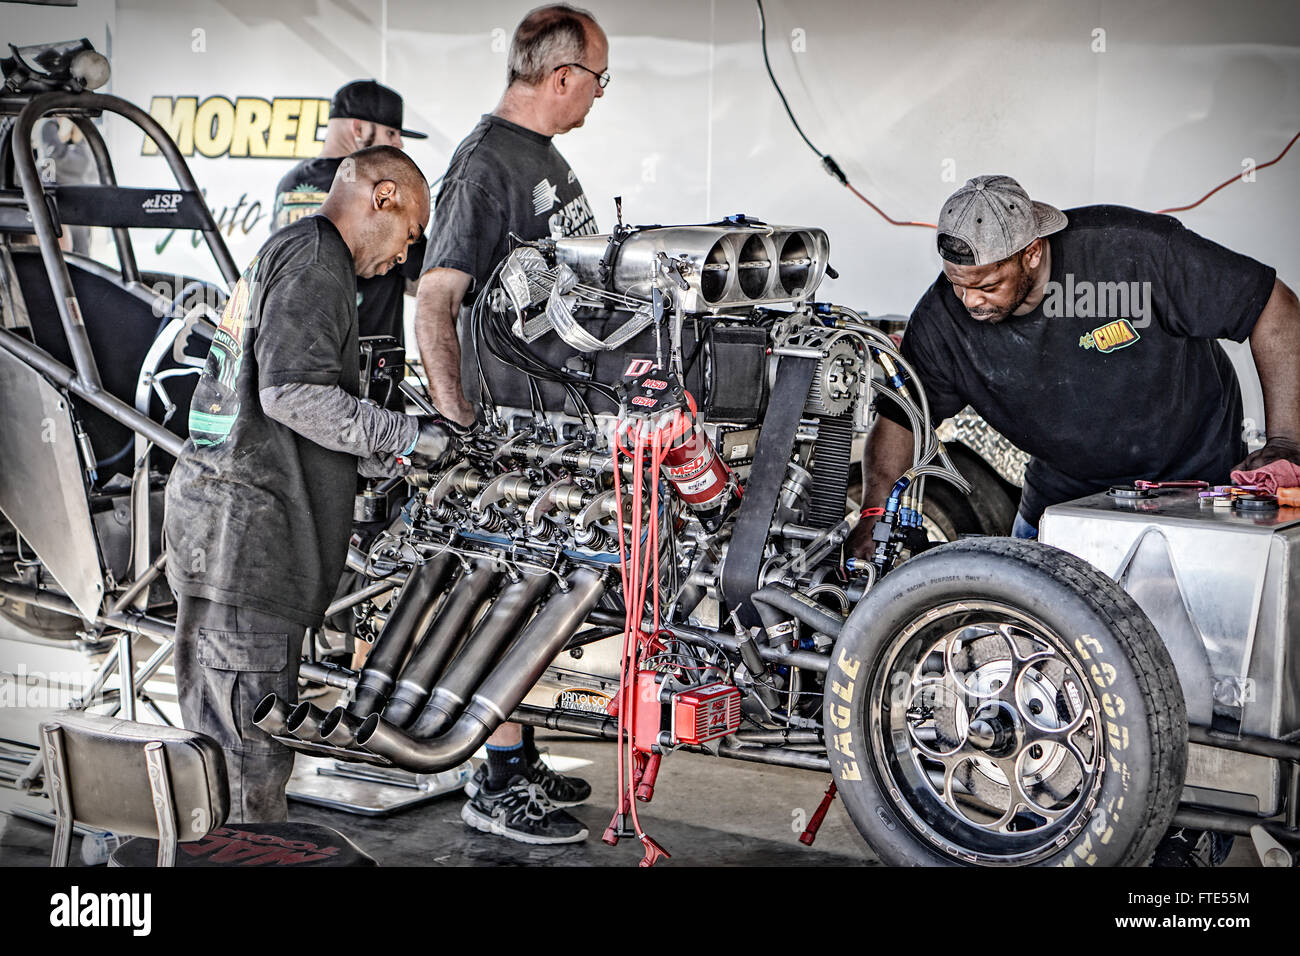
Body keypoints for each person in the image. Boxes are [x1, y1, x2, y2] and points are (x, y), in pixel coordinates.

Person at [165, 145, 451, 822]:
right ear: (382, 196)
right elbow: (294, 396)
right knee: (245, 762)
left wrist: (376, 455)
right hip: (247, 544)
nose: (404, 257)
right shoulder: (318, 261)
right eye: (410, 233)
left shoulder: (292, 252)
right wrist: (406, 437)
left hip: (228, 534)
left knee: (223, 749)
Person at [849, 174, 1300, 554]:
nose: (970, 301)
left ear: (1032, 252)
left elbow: (1271, 307)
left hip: (1196, 493)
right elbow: (901, 419)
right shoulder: (942, 322)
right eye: (956, 283)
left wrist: (1286, 440)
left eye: (987, 284)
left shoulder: (1133, 252)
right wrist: (872, 514)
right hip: (1064, 504)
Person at [413, 3, 605, 844]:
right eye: (600, 80)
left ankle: (515, 755)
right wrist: (461, 424)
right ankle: (491, 780)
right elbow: (437, 298)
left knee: (540, 603)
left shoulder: (545, 159)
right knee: (504, 598)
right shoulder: (484, 164)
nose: (602, 97)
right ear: (563, 77)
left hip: (554, 425)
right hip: (506, 431)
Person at [271, 80, 428, 345]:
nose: (399, 144)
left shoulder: (288, 184)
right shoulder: (367, 189)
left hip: (302, 346)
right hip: (368, 360)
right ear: (358, 129)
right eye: (391, 134)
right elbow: (426, 275)